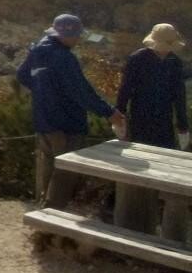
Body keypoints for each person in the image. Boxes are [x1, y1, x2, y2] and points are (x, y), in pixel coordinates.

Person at [17, 13, 126, 208]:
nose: (77, 40)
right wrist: (109, 112)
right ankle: (53, 220)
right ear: (66, 35)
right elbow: (81, 92)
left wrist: (45, 90)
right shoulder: (64, 58)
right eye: (76, 36)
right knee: (65, 172)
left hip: (43, 121)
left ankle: (43, 212)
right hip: (66, 123)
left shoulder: (38, 50)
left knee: (49, 168)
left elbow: (23, 75)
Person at [115, 23, 188, 149]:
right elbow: (125, 89)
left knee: (164, 155)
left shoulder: (175, 62)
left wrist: (182, 124)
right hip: (140, 116)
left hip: (165, 118)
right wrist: (119, 115)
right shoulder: (137, 59)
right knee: (141, 151)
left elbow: (179, 95)